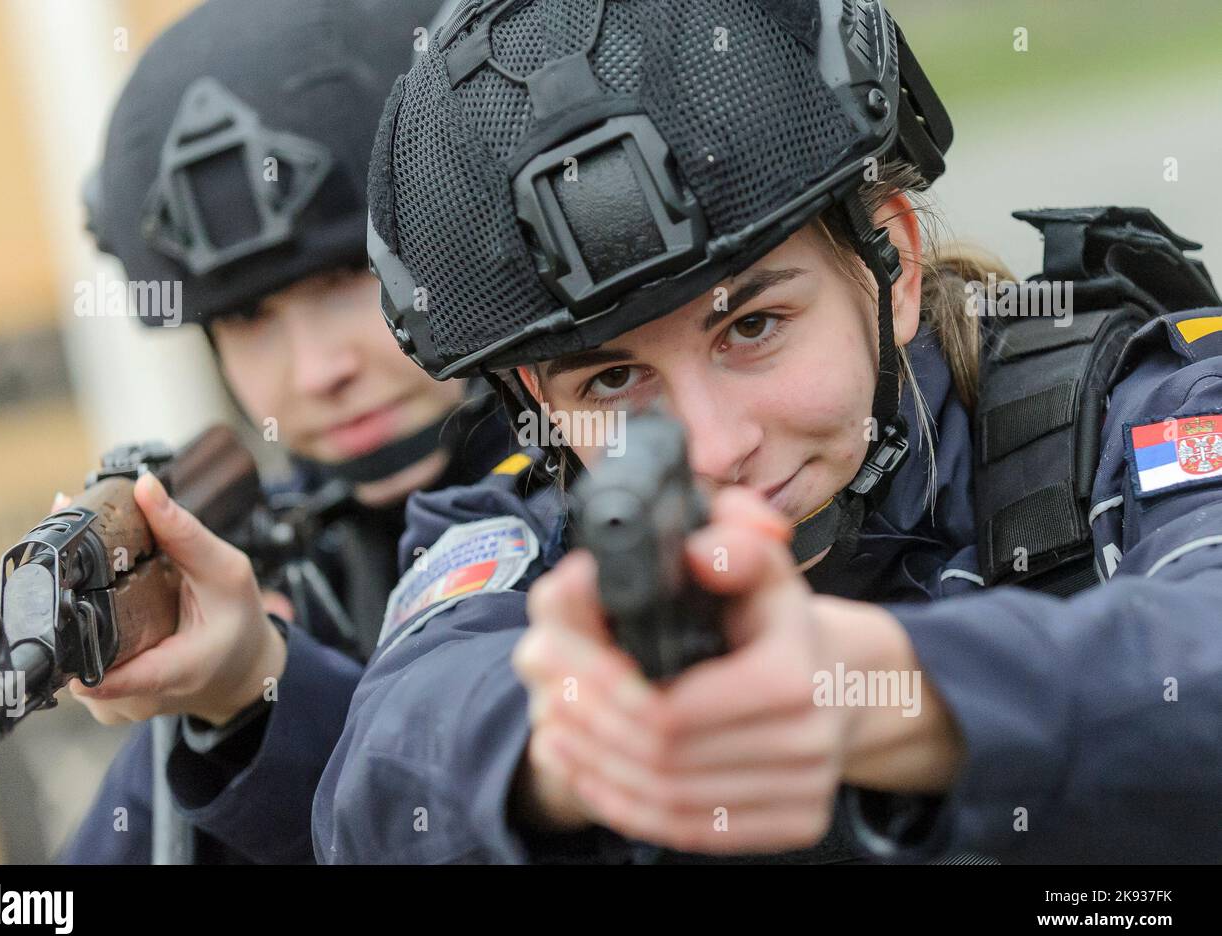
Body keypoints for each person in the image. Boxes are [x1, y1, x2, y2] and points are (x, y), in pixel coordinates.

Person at [305, 0, 1222, 863]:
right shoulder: (515, 524)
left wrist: (898, 696)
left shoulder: (1131, 410)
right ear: (536, 405)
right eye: (615, 379)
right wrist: (574, 739)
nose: (710, 448)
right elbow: (378, 775)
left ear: (891, 266)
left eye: (752, 327)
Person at [59, 0, 514, 864]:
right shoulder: (246, 569)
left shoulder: (642, 480)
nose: (315, 372)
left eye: (349, 276)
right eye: (248, 315)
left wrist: (258, 698)